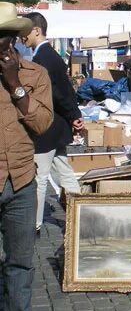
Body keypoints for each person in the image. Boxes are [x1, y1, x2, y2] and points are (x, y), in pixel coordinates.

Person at [0, 3, 58, 311]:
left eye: (10, 38)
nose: (7, 45)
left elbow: (42, 124)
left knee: (20, 260)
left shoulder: (34, 74)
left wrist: (14, 84)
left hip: (21, 179)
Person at [21, 12, 83, 232]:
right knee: (64, 172)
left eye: (25, 33)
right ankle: (82, 216)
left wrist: (73, 114)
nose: (21, 38)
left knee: (40, 177)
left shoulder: (42, 59)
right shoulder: (49, 55)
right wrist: (74, 115)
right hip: (57, 126)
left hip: (47, 127)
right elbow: (64, 92)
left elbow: (57, 94)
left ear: (36, 30)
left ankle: (35, 224)